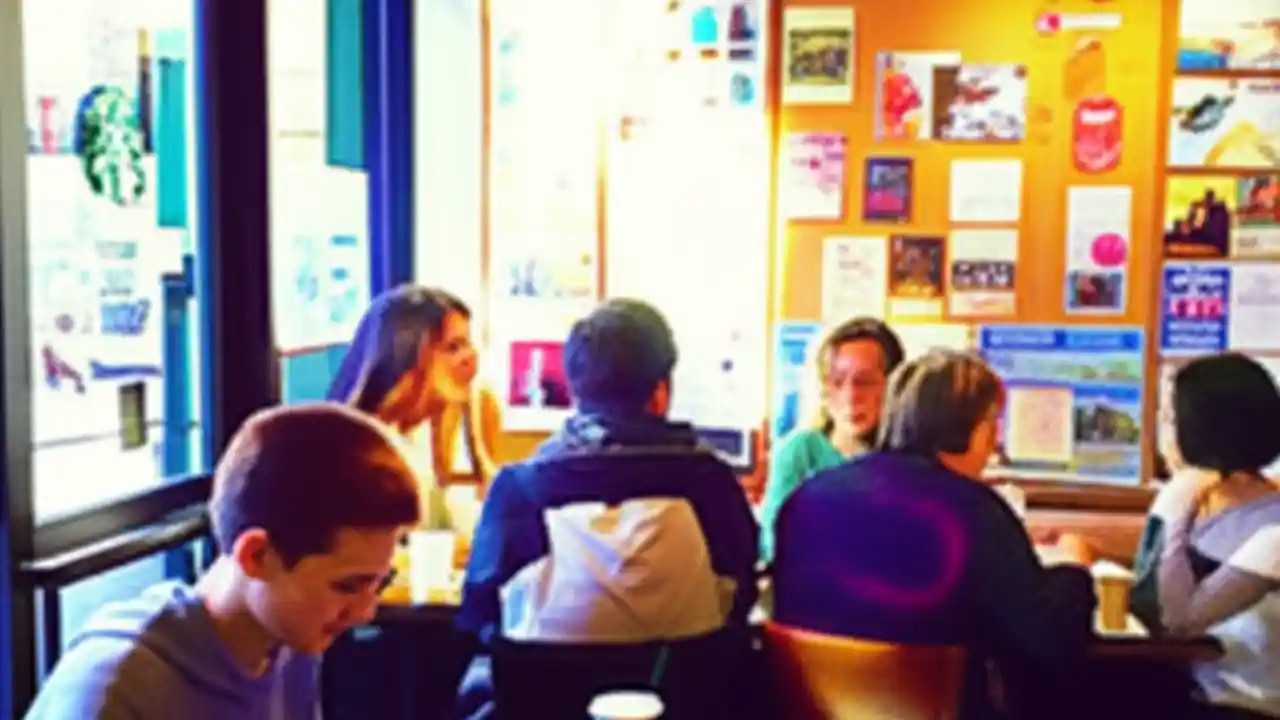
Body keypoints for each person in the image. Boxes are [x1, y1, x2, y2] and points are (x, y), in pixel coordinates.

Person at [456, 299, 759, 718]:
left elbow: (478, 608)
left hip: (543, 706)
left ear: (574, 392)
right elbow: (742, 590)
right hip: (687, 701)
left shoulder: (523, 487)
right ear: (660, 391)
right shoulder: (710, 482)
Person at [25, 404, 420, 719]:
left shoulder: (289, 642)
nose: (365, 612)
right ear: (257, 556)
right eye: (347, 586)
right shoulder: (118, 688)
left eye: (379, 583)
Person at [772, 350, 1096, 720]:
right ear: (978, 430)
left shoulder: (808, 498)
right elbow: (1051, 647)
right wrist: (1074, 567)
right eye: (993, 422)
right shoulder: (974, 511)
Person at [1133, 354, 1280, 719]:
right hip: (1197, 691)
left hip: (1243, 705)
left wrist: (1174, 498)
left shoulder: (1269, 523)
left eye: (1169, 419)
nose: (1161, 432)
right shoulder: (1199, 505)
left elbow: (1173, 621)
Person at [328, 285, 501, 516]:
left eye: (468, 343)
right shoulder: (361, 454)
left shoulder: (460, 419)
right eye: (453, 347)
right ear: (405, 357)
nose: (470, 357)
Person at [758, 317, 904, 563]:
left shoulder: (906, 457)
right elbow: (775, 544)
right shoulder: (799, 452)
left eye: (865, 382)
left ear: (894, 386)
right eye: (836, 382)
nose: (851, 396)